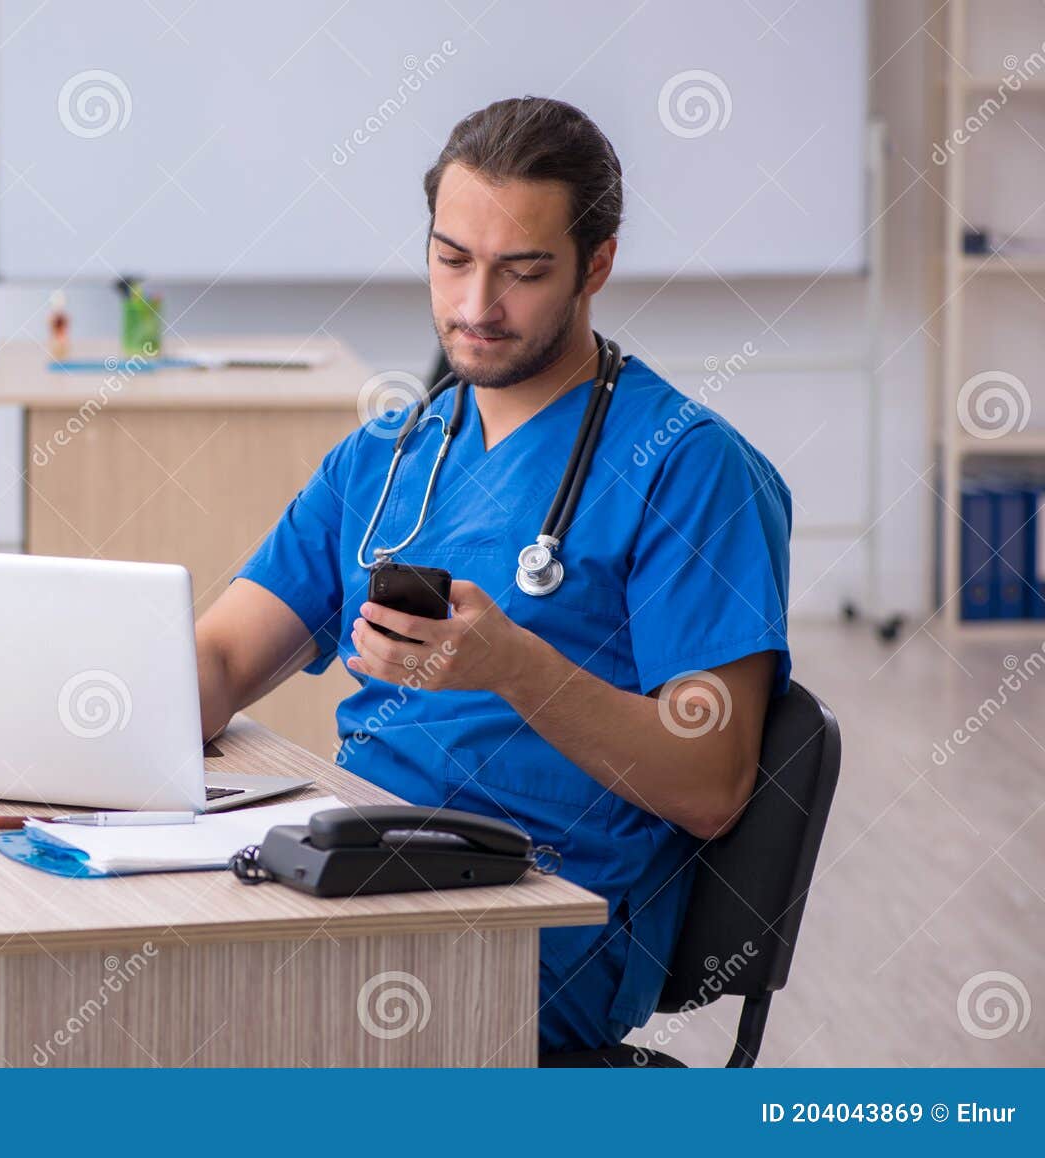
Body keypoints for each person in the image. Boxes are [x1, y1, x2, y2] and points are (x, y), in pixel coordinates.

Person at [193, 96, 792, 1055]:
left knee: (215, 1028)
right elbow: (223, 659)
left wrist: (514, 664)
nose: (475, 308)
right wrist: (83, 714)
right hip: (357, 867)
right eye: (452, 260)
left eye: (521, 272)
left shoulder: (687, 467)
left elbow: (712, 781)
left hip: (541, 921)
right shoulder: (388, 453)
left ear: (596, 265)